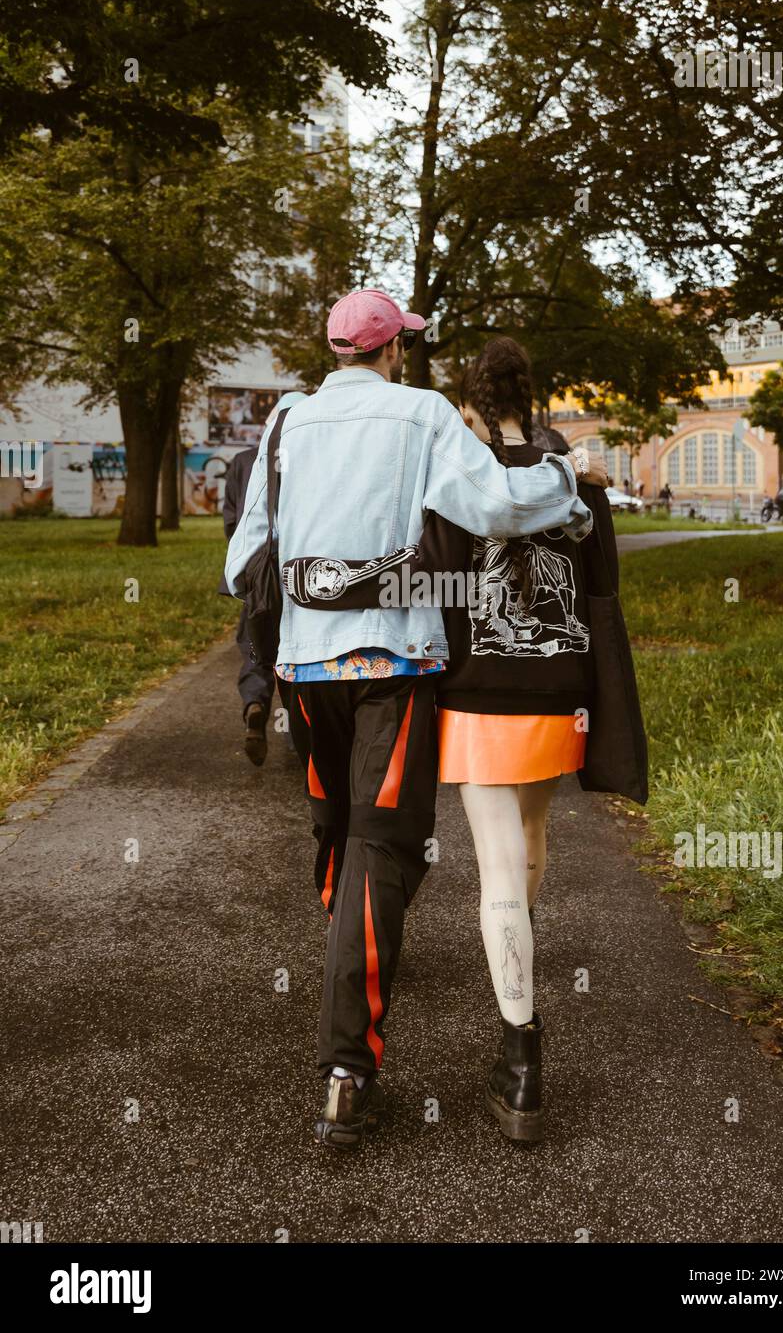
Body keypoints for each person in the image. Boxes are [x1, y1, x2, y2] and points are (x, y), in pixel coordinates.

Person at [225, 289, 600, 1150]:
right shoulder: (423, 413)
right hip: (394, 666)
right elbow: (496, 508)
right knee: (382, 845)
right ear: (393, 349)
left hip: (308, 670)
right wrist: (565, 482)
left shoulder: (285, 422)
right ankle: (347, 1071)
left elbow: (246, 555)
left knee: (342, 831)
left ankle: (350, 956)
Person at [218, 447, 276, 765]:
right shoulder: (313, 445)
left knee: (256, 643)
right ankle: (301, 735)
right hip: (299, 570)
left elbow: (231, 520)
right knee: (299, 653)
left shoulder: (244, 460)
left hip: (257, 575)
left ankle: (255, 702)